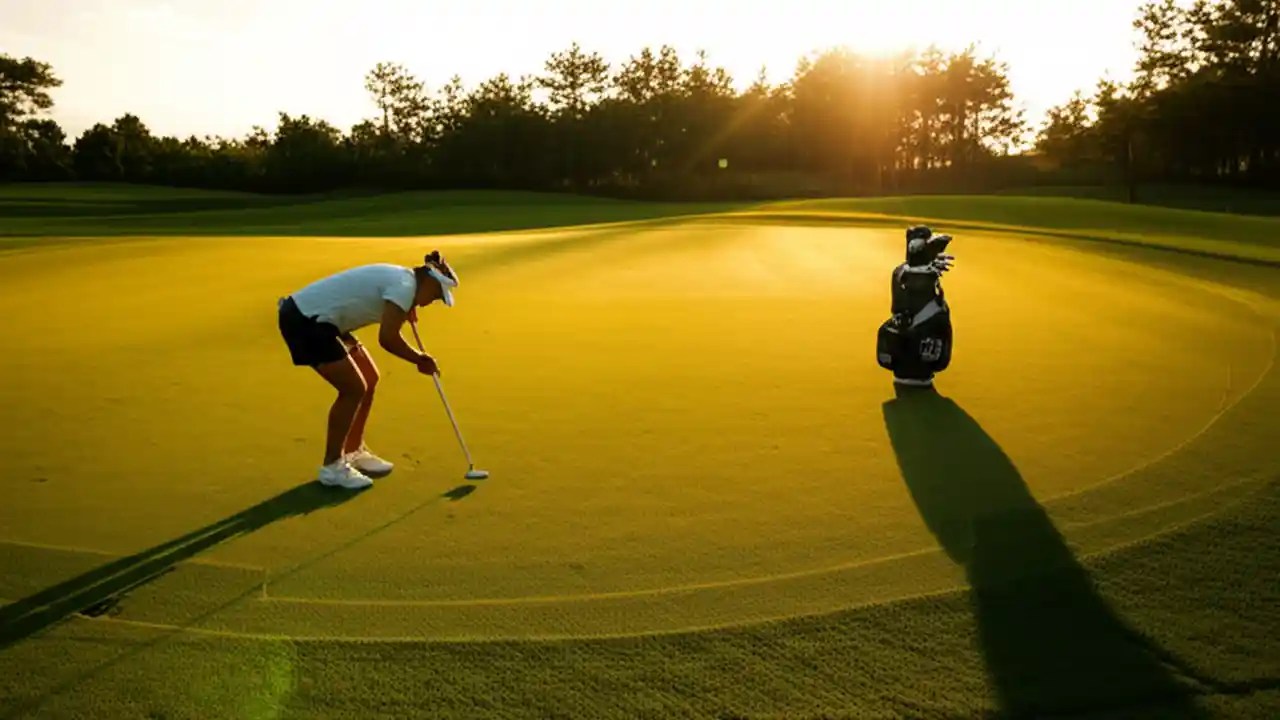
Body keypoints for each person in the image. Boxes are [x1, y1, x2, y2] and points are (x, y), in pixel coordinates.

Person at [277, 251, 460, 489]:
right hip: (305, 321)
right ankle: (332, 467)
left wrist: (404, 308)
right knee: (353, 388)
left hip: (324, 321)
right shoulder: (404, 287)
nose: (430, 302)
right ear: (428, 280)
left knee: (370, 378)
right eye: (436, 295)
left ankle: (353, 450)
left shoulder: (404, 281)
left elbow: (389, 313)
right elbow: (388, 339)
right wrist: (420, 359)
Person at [876, 225, 955, 387]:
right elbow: (919, 281)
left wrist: (925, 265)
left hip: (900, 364)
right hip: (922, 373)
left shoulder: (899, 273)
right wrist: (926, 267)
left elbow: (912, 273)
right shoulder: (916, 275)